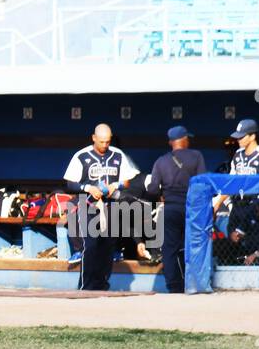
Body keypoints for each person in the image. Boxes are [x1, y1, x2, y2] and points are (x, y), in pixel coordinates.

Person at [62, 123, 139, 290]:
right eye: (101, 141)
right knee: (90, 245)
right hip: (87, 204)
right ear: (94, 138)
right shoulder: (81, 156)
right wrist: (89, 188)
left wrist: (115, 185)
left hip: (110, 204)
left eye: (107, 141)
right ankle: (86, 286)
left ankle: (102, 285)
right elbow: (70, 183)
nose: (104, 145)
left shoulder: (117, 155)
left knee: (107, 245)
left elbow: (126, 180)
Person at [145, 125, 207, 293]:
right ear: (185, 139)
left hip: (170, 209)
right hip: (191, 210)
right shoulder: (196, 156)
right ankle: (194, 284)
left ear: (171, 142)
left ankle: (174, 287)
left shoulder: (161, 161)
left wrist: (162, 195)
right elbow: (203, 183)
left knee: (169, 250)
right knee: (193, 246)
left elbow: (151, 189)